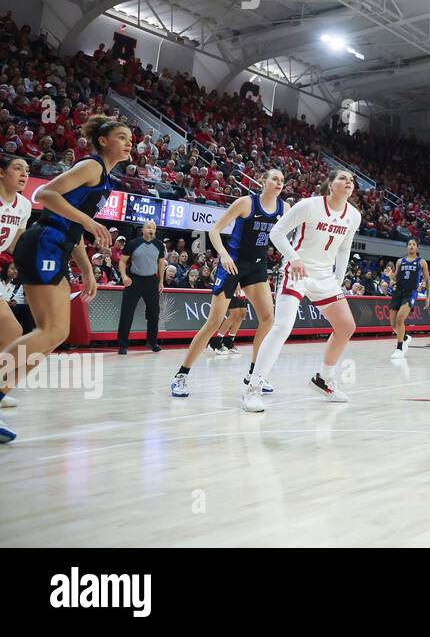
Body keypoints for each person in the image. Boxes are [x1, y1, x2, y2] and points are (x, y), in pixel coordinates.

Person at [1, 116, 129, 443]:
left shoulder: (106, 177)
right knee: (50, 330)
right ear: (103, 140)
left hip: (59, 244)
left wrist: (86, 270)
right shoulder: (92, 167)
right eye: (121, 136)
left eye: (130, 138)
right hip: (44, 241)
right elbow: (45, 193)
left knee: (57, 333)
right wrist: (87, 221)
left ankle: (2, 391)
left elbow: (72, 230)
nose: (129, 142)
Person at [242, 170, 360, 413]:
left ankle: (324, 380)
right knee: (283, 326)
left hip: (325, 276)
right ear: (330, 184)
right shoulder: (309, 205)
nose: (348, 182)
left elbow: (343, 250)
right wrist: (294, 258)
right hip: (297, 271)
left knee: (346, 327)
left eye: (351, 180)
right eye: (342, 178)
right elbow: (277, 233)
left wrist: (338, 279)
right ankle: (253, 388)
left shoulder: (354, 216)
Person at [170, 170, 285, 399]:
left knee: (268, 319)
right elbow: (214, 230)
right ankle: (181, 374)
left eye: (282, 180)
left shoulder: (284, 208)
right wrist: (223, 254)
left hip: (257, 266)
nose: (279, 183)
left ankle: (255, 372)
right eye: (274, 178)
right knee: (214, 321)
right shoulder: (246, 203)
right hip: (232, 264)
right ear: (263, 181)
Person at [0, 156, 32, 410]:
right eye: (18, 168)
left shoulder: (24, 205)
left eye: (27, 170)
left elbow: (12, 244)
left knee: (12, 331)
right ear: (2, 173)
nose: (24, 174)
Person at [116, 221, 165, 354]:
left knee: (154, 314)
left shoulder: (159, 245)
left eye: (154, 228)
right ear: (142, 230)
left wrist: (161, 281)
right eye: (149, 227)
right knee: (127, 313)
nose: (151, 230)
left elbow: (161, 264)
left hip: (151, 281)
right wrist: (124, 276)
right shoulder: (133, 243)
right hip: (134, 280)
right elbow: (122, 261)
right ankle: (123, 344)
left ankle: (152, 342)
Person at [388, 239, 430, 359]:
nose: (411, 246)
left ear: (417, 248)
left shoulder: (421, 262)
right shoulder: (399, 261)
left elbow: (427, 280)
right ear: (407, 247)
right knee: (393, 324)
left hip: (410, 293)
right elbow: (395, 278)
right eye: (409, 245)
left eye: (414, 245)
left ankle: (399, 348)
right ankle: (406, 338)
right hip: (398, 292)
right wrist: (390, 275)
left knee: (400, 319)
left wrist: (428, 297)